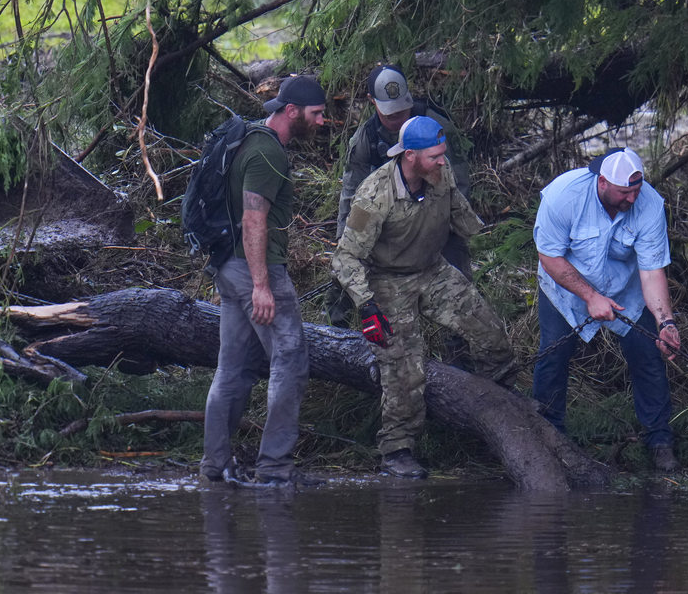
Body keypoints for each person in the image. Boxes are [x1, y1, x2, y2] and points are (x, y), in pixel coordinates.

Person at [331, 115, 516, 478]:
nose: (443, 162)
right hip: (386, 282)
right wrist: (367, 306)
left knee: (493, 336)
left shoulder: (439, 175)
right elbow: (345, 257)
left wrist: (501, 241)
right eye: (435, 156)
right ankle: (397, 449)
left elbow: (464, 219)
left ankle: (497, 409)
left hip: (433, 271)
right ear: (410, 156)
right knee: (403, 368)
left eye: (443, 155)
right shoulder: (375, 194)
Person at [200, 75, 327, 486]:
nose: (323, 121)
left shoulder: (250, 139)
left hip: (227, 267)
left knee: (233, 368)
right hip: (254, 269)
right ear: (291, 112)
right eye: (317, 114)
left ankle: (215, 465)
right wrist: (261, 284)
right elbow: (253, 220)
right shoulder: (267, 153)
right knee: (290, 358)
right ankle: (275, 467)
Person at [531, 147, 683, 472]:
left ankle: (659, 440)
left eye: (636, 191)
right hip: (565, 289)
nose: (632, 199)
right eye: (625, 192)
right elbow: (550, 256)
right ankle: (548, 437)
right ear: (602, 183)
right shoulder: (563, 196)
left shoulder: (649, 205)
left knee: (648, 356)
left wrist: (665, 322)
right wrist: (589, 296)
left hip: (625, 290)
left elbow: (652, 270)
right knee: (552, 357)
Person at [335, 63, 472, 278]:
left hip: (439, 225)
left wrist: (448, 229)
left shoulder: (436, 126)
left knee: (457, 283)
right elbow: (351, 195)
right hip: (390, 231)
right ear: (372, 102)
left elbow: (459, 182)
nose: (398, 119)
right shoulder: (365, 140)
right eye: (391, 115)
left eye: (402, 111)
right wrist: (346, 246)